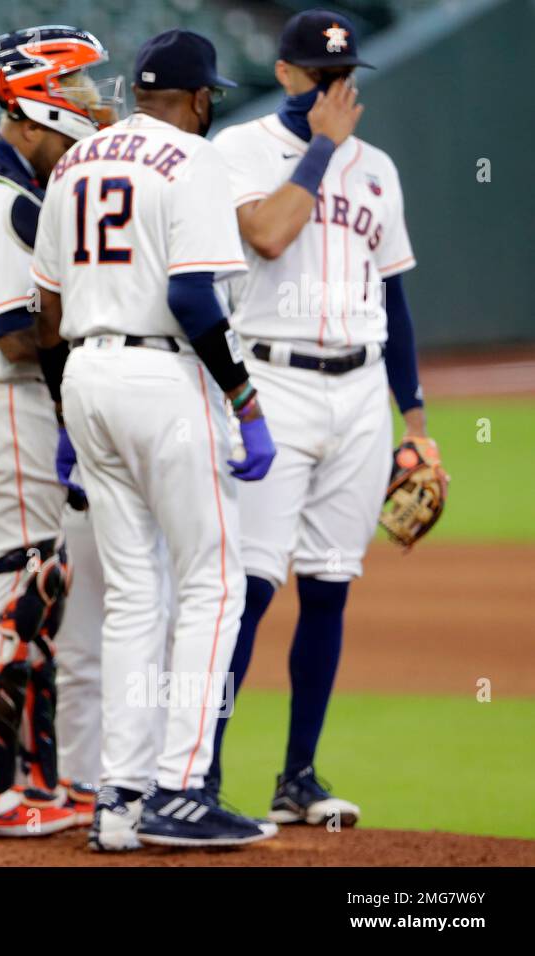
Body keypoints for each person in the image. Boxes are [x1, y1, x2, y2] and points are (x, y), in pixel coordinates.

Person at [32, 29, 280, 849]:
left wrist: (79, 406)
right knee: (214, 583)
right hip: (166, 379)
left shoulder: (74, 162)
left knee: (135, 597)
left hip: (87, 377)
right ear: (202, 98)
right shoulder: (193, 158)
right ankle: (180, 789)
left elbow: (49, 316)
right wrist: (244, 401)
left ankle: (121, 800)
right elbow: (197, 302)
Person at [208, 9, 434, 827]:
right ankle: (202, 778)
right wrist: (325, 147)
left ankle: (298, 776)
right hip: (275, 384)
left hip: (361, 392)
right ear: (286, 74)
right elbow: (268, 234)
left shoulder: (380, 170)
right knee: (253, 588)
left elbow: (396, 296)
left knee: (332, 585)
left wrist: (416, 419)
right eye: (320, 76)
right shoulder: (239, 150)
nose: (336, 91)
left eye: (345, 77)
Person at [0, 25, 123, 837]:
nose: (89, 104)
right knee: (14, 589)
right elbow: (16, 332)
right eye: (75, 89)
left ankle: (30, 778)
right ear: (37, 98)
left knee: (38, 589)